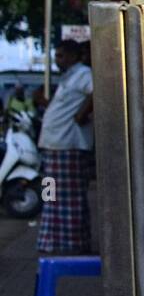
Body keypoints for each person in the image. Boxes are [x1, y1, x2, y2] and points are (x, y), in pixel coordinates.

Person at [34, 38, 95, 254]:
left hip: (68, 146)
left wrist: (81, 115)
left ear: (72, 56)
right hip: (54, 147)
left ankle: (71, 242)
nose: (57, 60)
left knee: (69, 197)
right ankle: (52, 239)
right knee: (49, 193)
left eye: (60, 55)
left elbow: (95, 93)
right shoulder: (69, 77)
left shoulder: (83, 74)